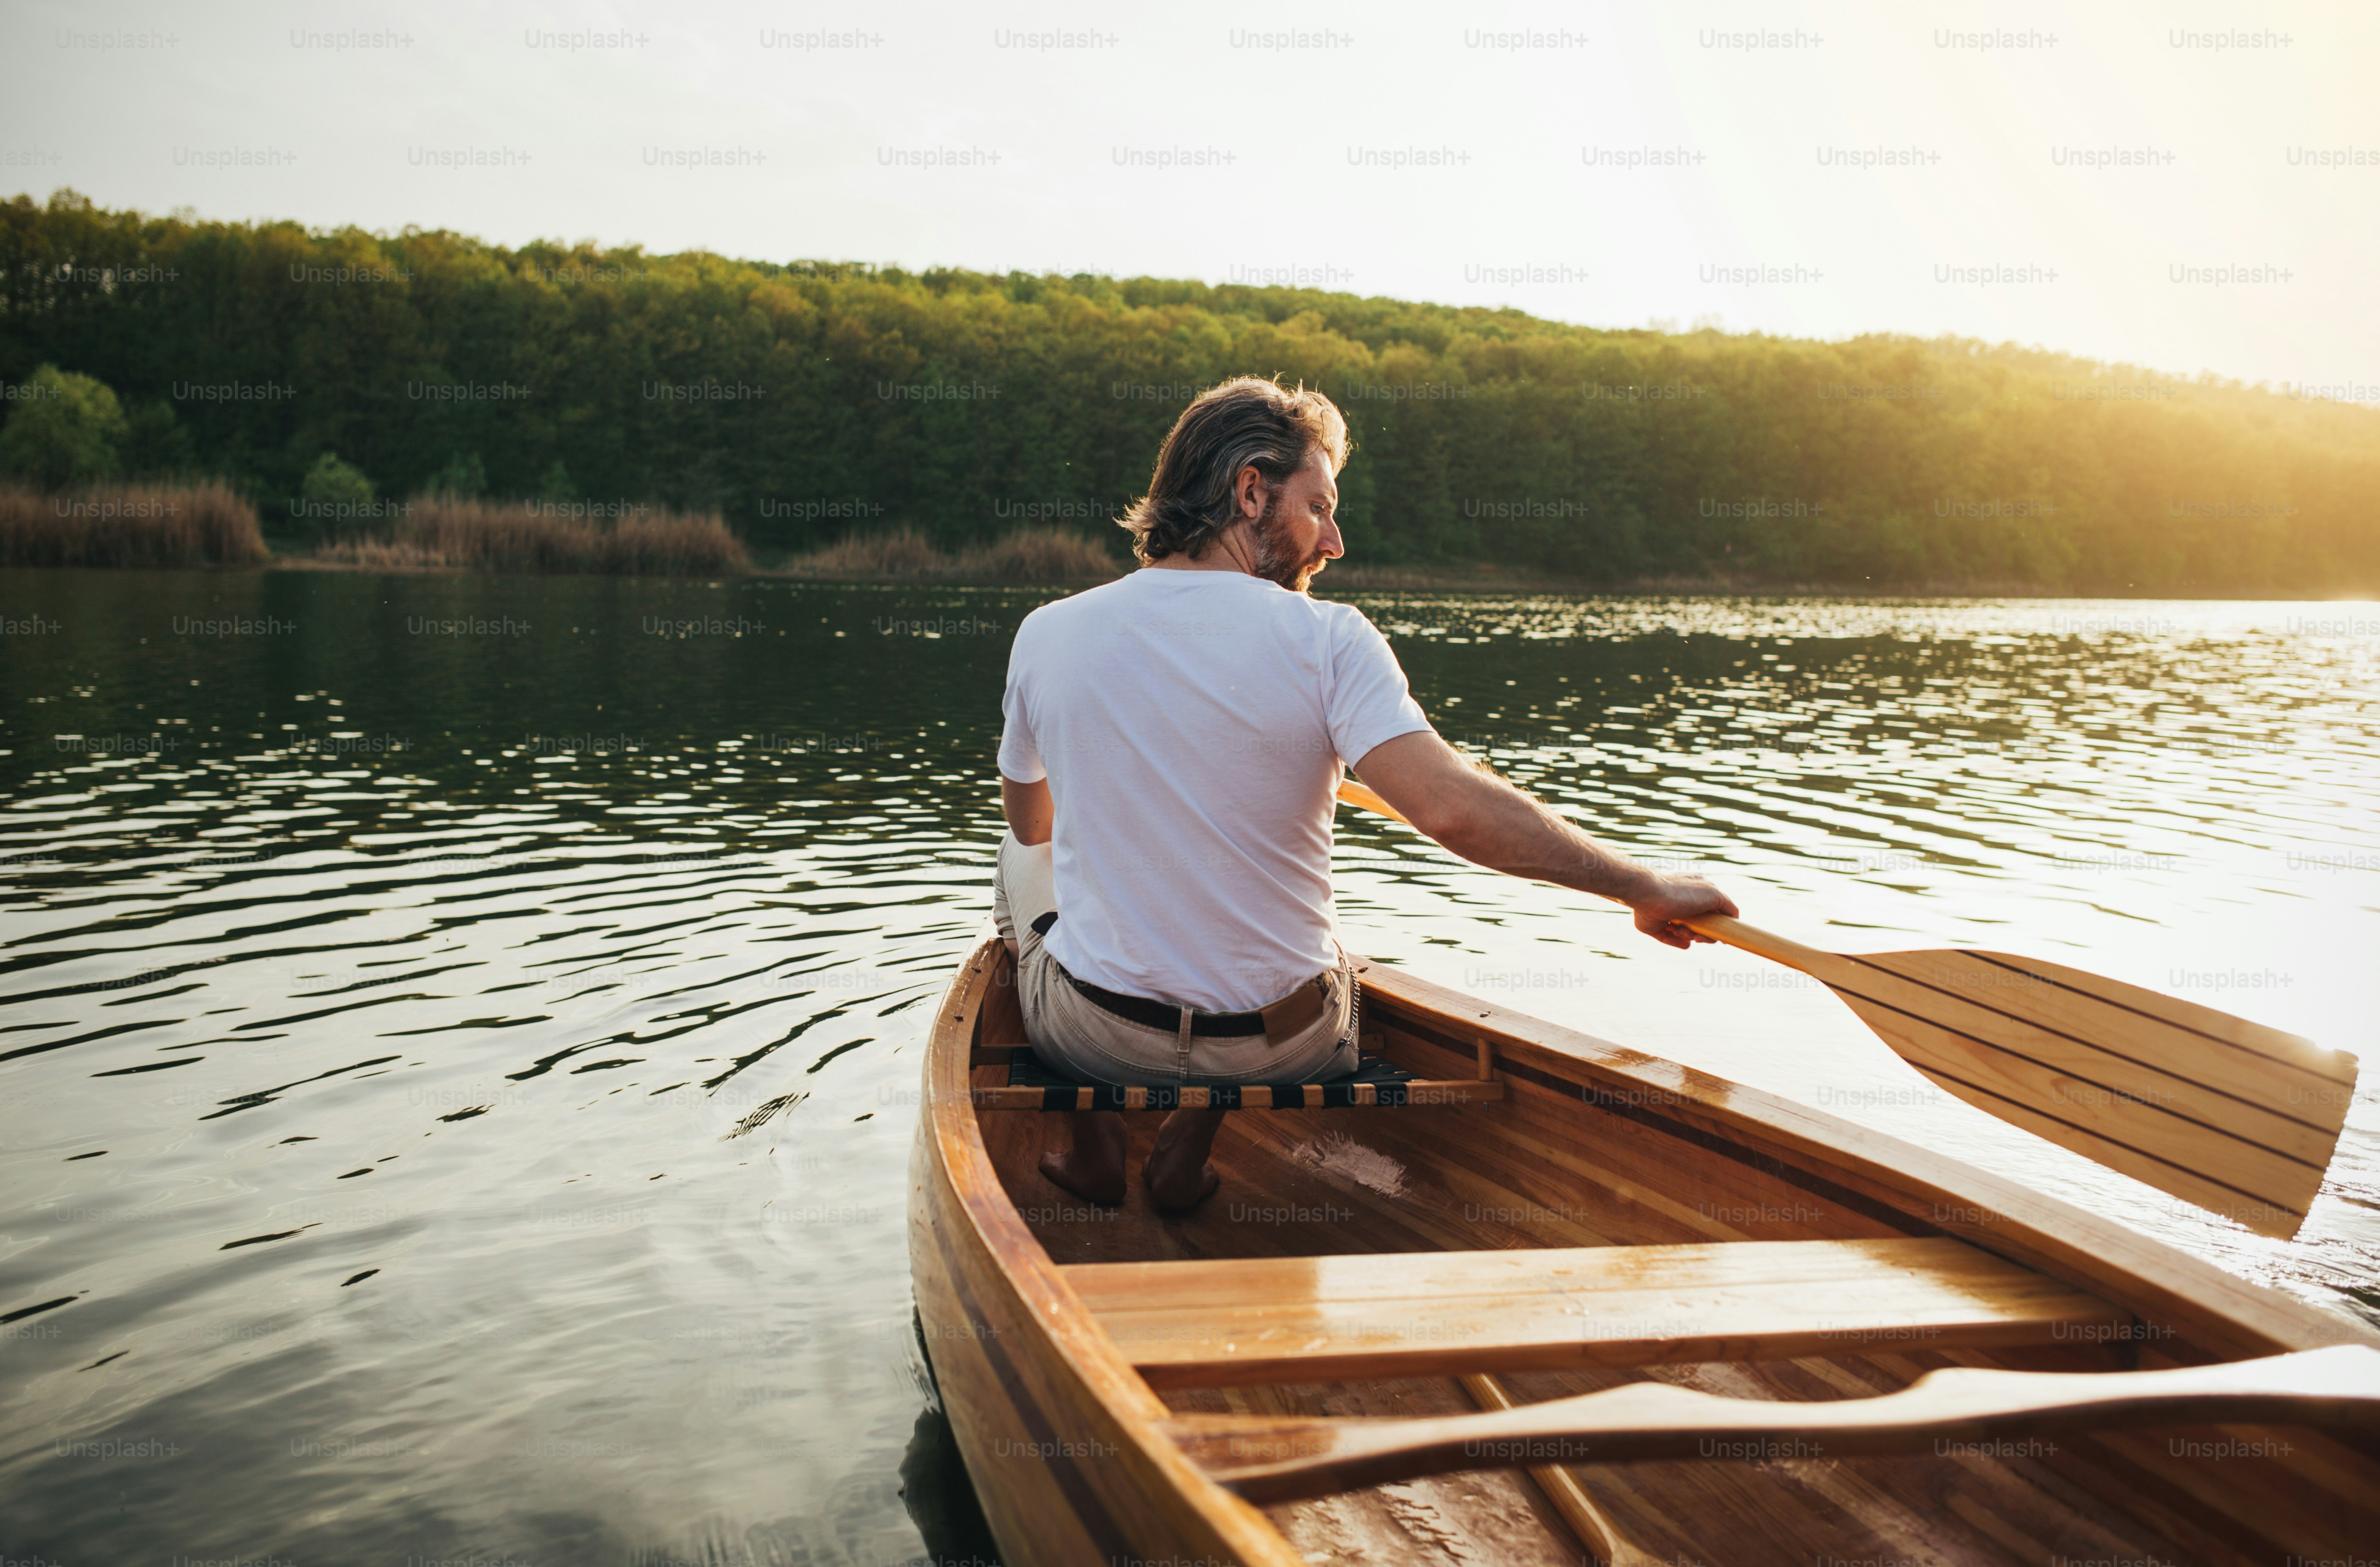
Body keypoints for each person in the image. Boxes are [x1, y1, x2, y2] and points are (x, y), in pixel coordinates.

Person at [993, 376, 1737, 1211]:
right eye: (1319, 507)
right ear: (1249, 493)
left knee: (1021, 868)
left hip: (1104, 1042)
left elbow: (1034, 826)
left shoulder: (1047, 632)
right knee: (1316, 944)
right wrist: (1642, 886)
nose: (1334, 541)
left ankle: (1094, 1149)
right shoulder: (1331, 641)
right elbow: (1452, 808)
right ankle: (1185, 1150)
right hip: (1291, 1048)